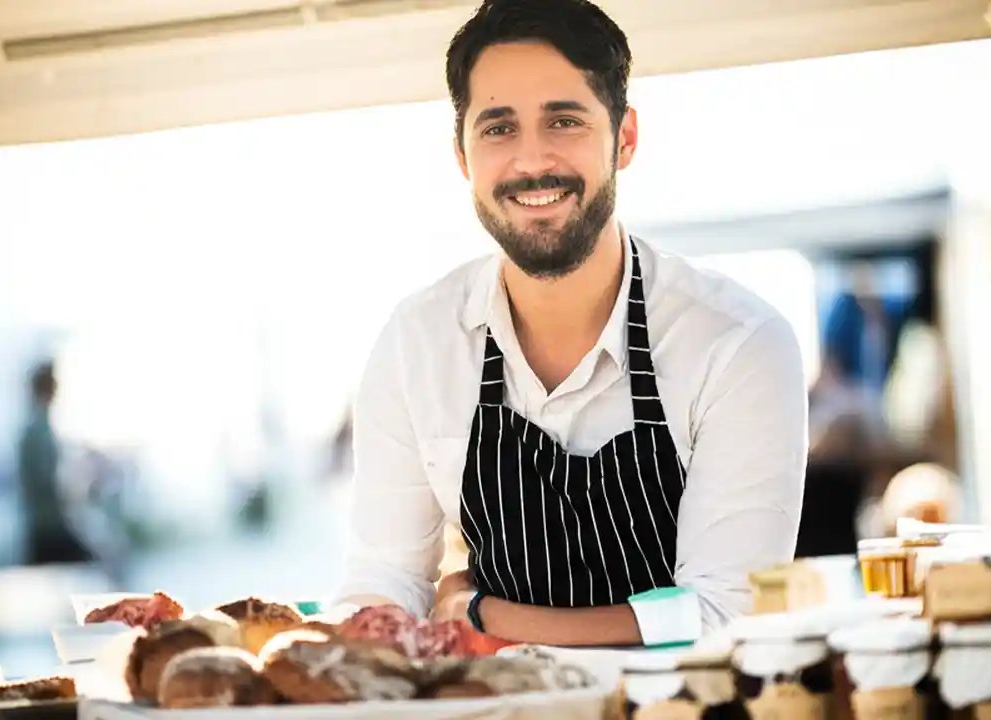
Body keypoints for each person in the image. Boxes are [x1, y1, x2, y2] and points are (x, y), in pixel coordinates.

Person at [334, 0, 807, 646]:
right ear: (462, 157)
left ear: (626, 138)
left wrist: (482, 613)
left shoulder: (737, 344)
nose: (532, 161)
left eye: (564, 121)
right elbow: (383, 581)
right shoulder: (416, 344)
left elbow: (727, 616)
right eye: (499, 128)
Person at [18, 362, 91, 565]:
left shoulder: (38, 427)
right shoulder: (38, 430)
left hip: (45, 524)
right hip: (49, 526)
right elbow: (46, 481)